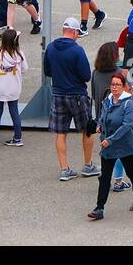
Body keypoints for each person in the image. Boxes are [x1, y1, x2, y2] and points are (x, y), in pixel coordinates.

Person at [46, 16, 98, 181]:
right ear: (74, 31)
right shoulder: (77, 50)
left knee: (61, 132)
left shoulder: (51, 48)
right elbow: (86, 75)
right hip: (77, 94)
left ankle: (64, 169)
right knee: (87, 129)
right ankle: (88, 165)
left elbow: (47, 71)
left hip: (58, 94)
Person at [88, 70, 133, 220]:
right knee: (105, 177)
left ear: (123, 86)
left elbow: (127, 125)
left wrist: (110, 139)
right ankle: (99, 208)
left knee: (131, 172)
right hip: (108, 145)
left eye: (118, 85)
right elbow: (102, 117)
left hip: (124, 145)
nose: (114, 87)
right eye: (113, 84)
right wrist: (99, 125)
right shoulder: (107, 100)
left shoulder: (128, 103)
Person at [0, 28, 27, 148]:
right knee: (14, 112)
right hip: (14, 87)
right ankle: (18, 137)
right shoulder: (19, 54)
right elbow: (25, 69)